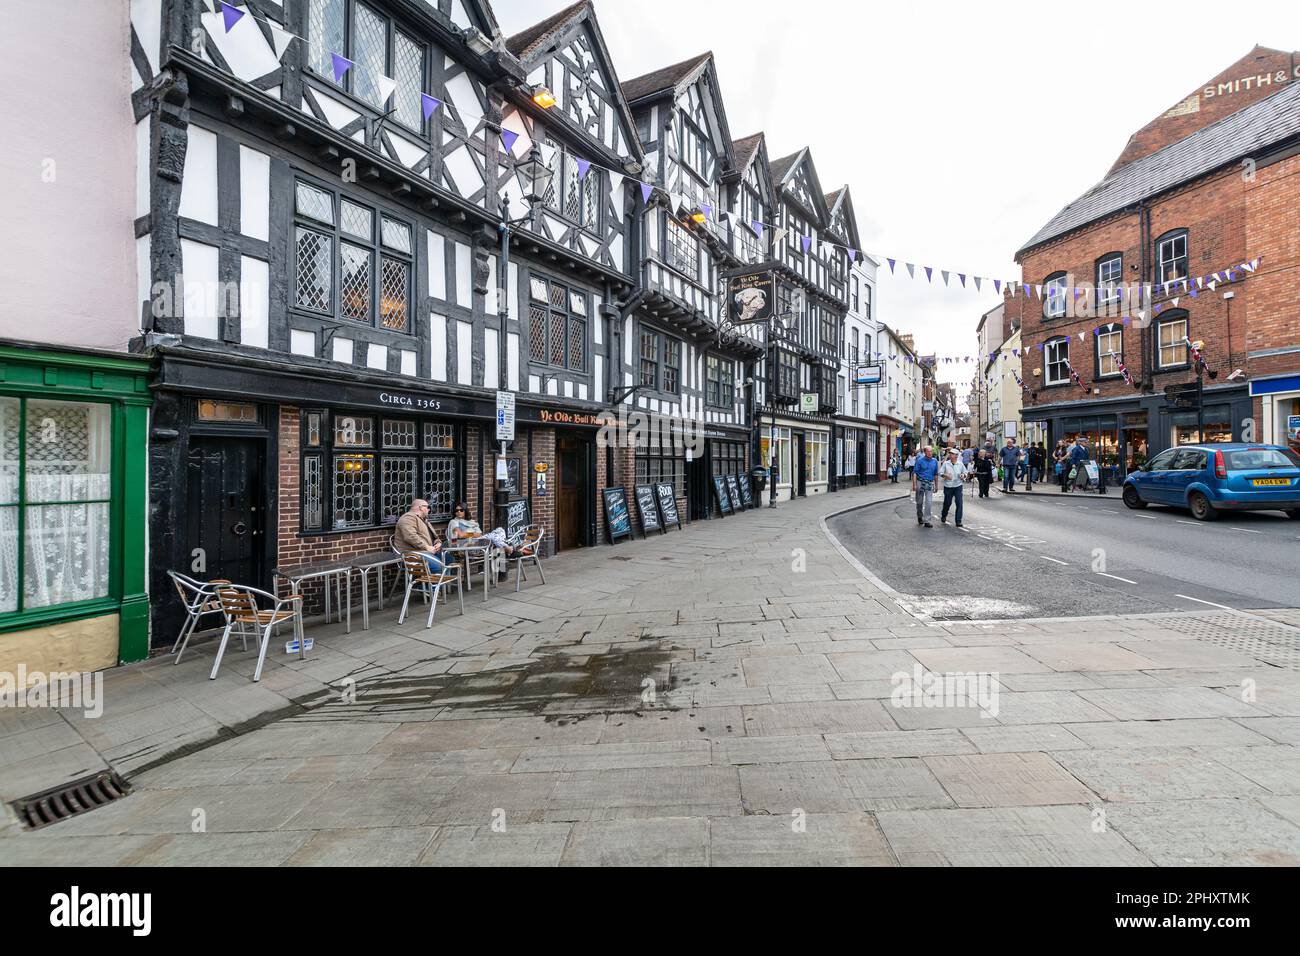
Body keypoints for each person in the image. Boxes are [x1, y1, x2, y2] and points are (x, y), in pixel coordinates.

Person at [446, 501, 516, 576]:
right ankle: (508, 549)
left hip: (478, 542)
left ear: (465, 511)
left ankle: (501, 572)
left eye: (461, 510)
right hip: (468, 545)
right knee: (496, 542)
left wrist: (469, 534)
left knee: (500, 530)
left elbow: (479, 534)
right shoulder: (454, 522)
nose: (459, 512)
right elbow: (460, 535)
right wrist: (473, 534)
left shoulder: (471, 522)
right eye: (456, 511)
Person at [394, 499, 449, 574]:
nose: (429, 510)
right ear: (421, 507)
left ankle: (442, 584)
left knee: (449, 559)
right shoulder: (407, 518)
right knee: (439, 566)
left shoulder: (424, 520)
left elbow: (434, 537)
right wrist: (426, 547)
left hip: (426, 551)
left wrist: (438, 543)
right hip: (412, 554)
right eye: (427, 507)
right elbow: (410, 536)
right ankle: (424, 585)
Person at [938, 447, 970, 527]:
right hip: (948, 486)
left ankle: (958, 521)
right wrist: (945, 475)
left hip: (958, 486)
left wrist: (963, 475)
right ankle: (944, 515)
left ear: (956, 456)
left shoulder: (960, 463)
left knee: (959, 503)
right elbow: (940, 472)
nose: (951, 456)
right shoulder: (946, 463)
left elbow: (965, 472)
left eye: (953, 454)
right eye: (951, 454)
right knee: (947, 503)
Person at [912, 445, 939, 528]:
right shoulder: (919, 461)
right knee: (919, 502)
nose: (930, 453)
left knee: (929, 502)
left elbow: (935, 474)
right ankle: (920, 516)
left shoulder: (935, 461)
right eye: (928, 451)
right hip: (920, 482)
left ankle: (927, 520)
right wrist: (914, 484)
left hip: (929, 483)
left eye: (931, 451)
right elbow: (915, 473)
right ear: (925, 452)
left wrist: (937, 485)